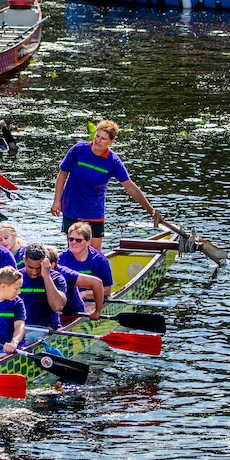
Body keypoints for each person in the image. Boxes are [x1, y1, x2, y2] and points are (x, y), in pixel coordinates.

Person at [50, 119, 159, 250]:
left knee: (95, 254)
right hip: (72, 208)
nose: (98, 141)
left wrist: (150, 209)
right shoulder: (78, 150)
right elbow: (62, 174)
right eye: (97, 136)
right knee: (75, 250)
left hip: (93, 211)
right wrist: (57, 201)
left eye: (103, 139)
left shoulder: (113, 161)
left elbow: (129, 186)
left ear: (111, 142)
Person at [46, 244, 104, 321]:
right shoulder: (33, 273)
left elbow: (97, 283)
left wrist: (97, 312)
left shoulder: (66, 274)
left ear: (52, 265)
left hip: (72, 313)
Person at [58, 222, 115, 300]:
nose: (73, 243)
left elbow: (106, 290)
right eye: (71, 239)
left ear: (88, 242)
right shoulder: (61, 258)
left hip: (92, 300)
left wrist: (84, 294)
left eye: (78, 240)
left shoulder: (99, 260)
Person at [17, 244, 67, 332]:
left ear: (45, 262)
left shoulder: (56, 278)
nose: (34, 272)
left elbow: (58, 307)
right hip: (21, 327)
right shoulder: (16, 277)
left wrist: (46, 276)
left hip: (46, 328)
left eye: (38, 268)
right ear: (24, 259)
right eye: (30, 267)